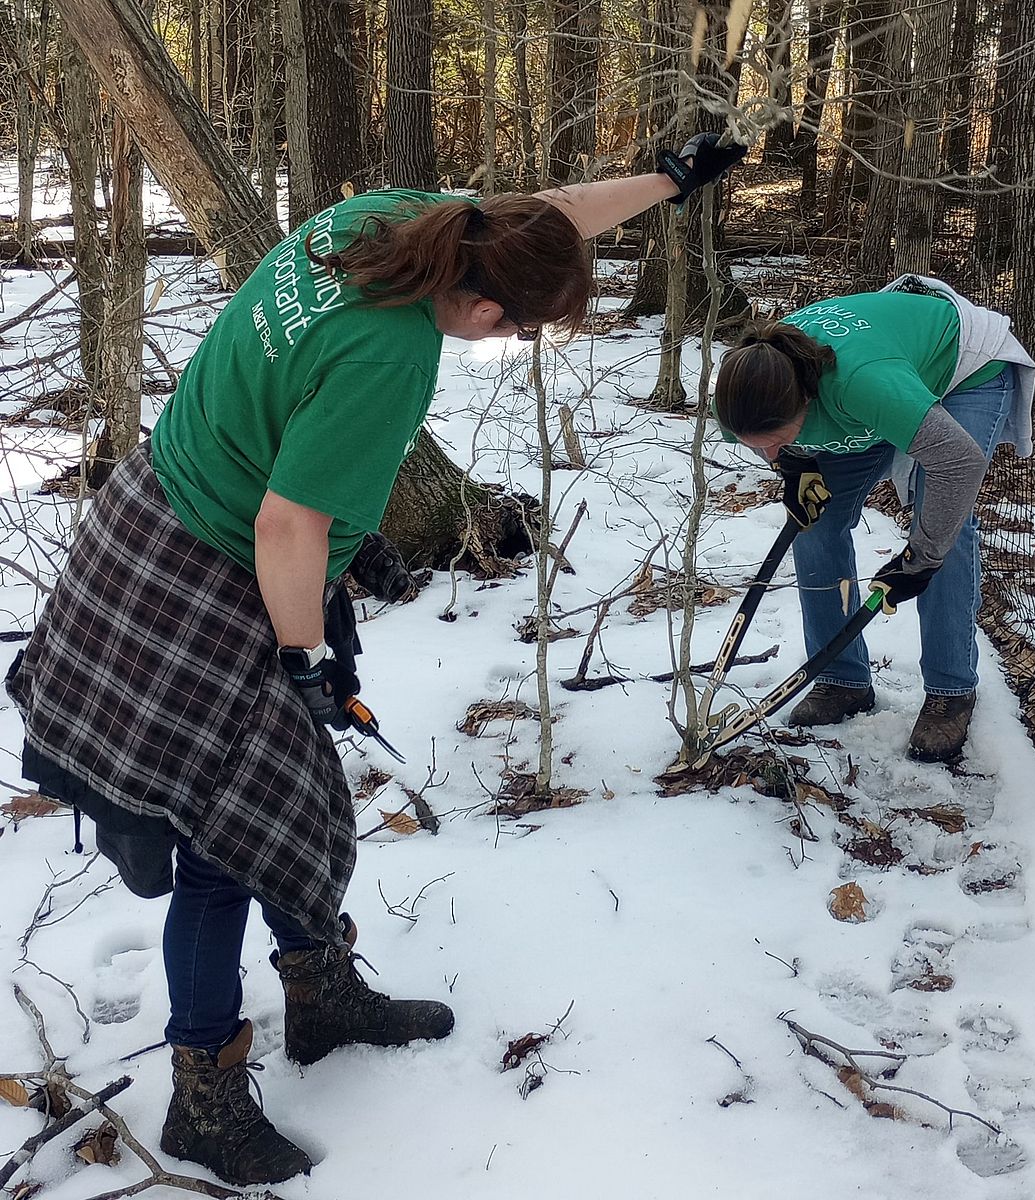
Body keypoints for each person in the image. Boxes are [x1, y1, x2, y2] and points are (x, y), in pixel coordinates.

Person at [5, 134, 746, 1186]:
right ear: (489, 315)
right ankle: (205, 1100)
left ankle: (320, 995)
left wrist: (667, 181)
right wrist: (305, 660)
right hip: (202, 577)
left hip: (159, 513)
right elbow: (288, 526)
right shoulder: (392, 357)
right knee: (223, 842)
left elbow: (545, 211)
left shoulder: (395, 220)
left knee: (298, 800)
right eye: (525, 331)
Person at [712, 275, 1035, 763]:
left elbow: (959, 462)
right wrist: (794, 465)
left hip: (960, 370)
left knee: (943, 527)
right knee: (815, 525)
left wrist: (920, 560)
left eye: (777, 439)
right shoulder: (743, 393)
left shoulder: (861, 383)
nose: (767, 454)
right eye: (758, 447)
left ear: (805, 400)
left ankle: (950, 692)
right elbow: (770, 440)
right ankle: (842, 681)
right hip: (882, 388)